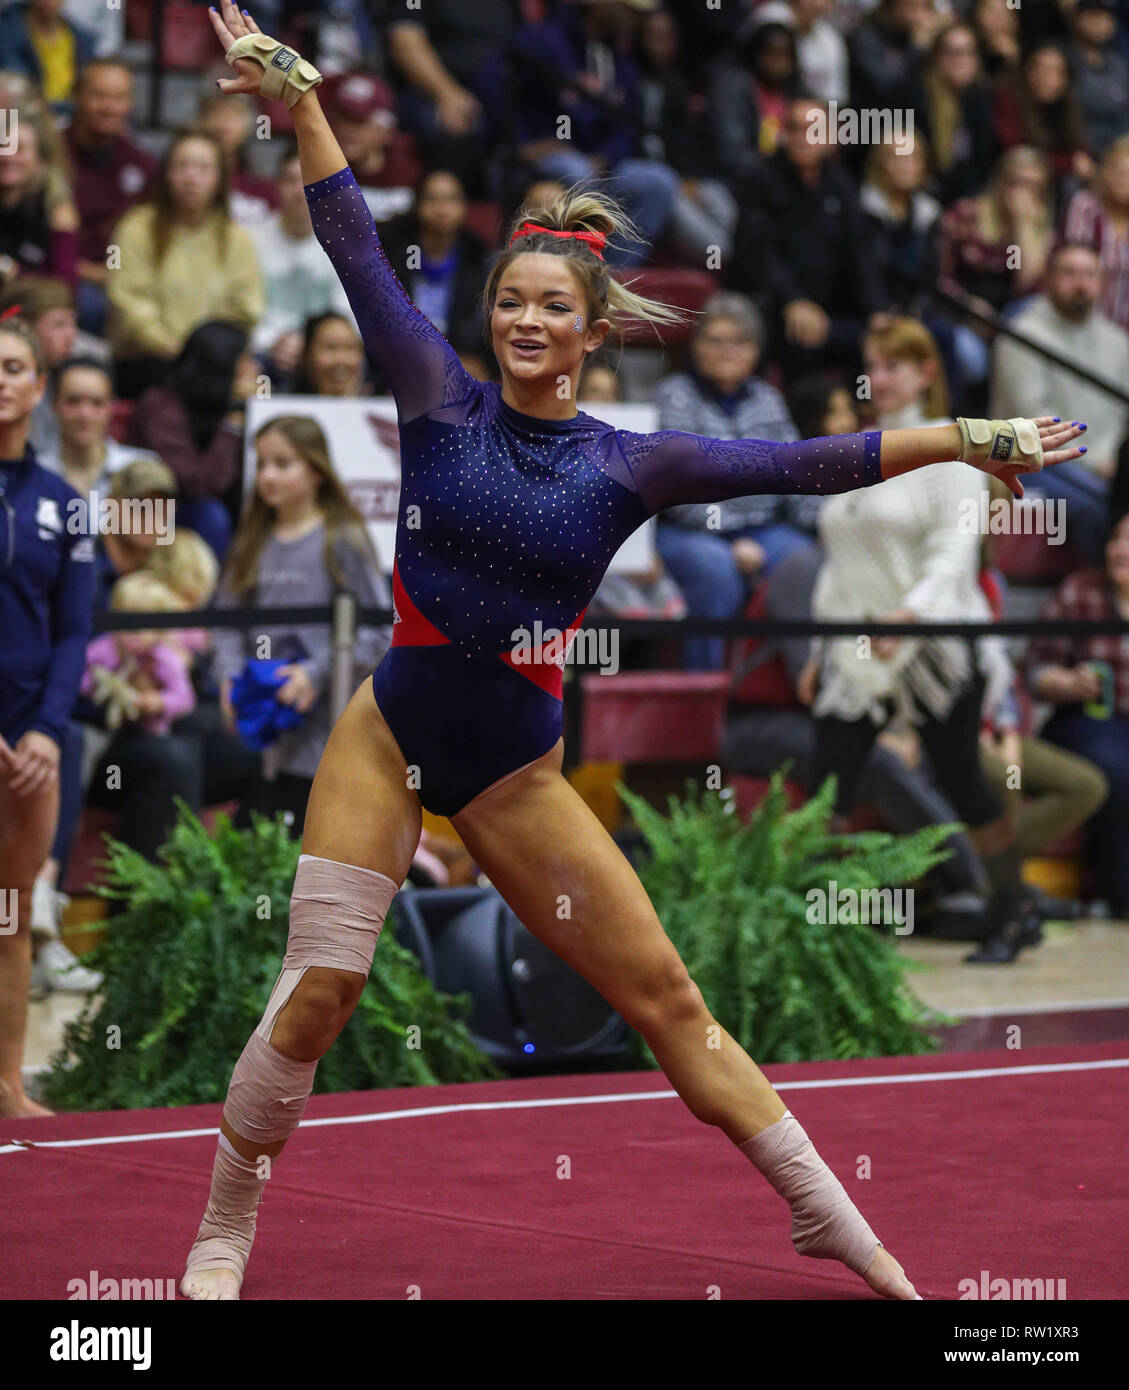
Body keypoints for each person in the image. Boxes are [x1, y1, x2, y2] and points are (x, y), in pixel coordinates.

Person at [181, 2, 1088, 1303]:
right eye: (512, 301)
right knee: (319, 995)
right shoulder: (436, 395)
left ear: (595, 328)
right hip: (390, 726)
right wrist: (302, 101)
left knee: (667, 994)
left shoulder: (633, 459)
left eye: (554, 305)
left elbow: (805, 460)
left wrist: (966, 431)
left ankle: (828, 1215)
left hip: (513, 769)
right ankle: (224, 1222)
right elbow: (355, 249)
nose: (528, 320)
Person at [805, 317, 1072, 963]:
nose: (881, 376)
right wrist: (818, 650)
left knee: (963, 784)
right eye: (874, 362)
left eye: (895, 364)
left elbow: (955, 557)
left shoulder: (954, 456)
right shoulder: (857, 449)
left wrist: (910, 615)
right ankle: (819, 930)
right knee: (827, 791)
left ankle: (1012, 912)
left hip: (934, 644)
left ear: (926, 373)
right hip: (853, 649)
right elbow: (835, 563)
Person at [0, 309, 94, 1116]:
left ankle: (8, 1087)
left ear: (39, 386)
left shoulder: (65, 505)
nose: (1, 380)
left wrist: (45, 731)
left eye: (13, 367)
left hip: (29, 745)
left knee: (11, 913)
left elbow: (74, 633)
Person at [210, 412, 390, 830]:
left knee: (313, 829)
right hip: (261, 716)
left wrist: (315, 672)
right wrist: (229, 676)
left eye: (283, 463)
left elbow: (378, 629)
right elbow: (226, 622)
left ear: (315, 469)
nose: (268, 476)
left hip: (326, 720)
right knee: (259, 835)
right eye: (262, 465)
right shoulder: (251, 540)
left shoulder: (341, 538)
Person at [652, 292, 809, 670]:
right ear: (696, 347)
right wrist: (729, 539)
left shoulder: (768, 399)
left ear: (755, 353)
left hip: (765, 529)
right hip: (689, 531)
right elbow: (677, 485)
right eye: (716, 341)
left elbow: (795, 470)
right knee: (716, 569)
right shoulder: (675, 396)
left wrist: (829, 521)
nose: (727, 352)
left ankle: (794, 685)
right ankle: (704, 694)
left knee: (806, 560)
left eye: (739, 343)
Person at [991, 240, 1129, 561]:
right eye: (1069, 273)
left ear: (1103, 282)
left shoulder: (1118, 342)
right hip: (1031, 461)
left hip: (1102, 464)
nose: (1080, 284)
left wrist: (1112, 461)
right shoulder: (1022, 334)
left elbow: (1123, 415)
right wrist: (1097, 462)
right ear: (1049, 278)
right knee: (1097, 508)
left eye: (1089, 274)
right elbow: (1035, 421)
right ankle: (1101, 598)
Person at [106, 128, 265, 399]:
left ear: (220, 179)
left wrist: (211, 352)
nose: (191, 178)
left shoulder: (237, 238)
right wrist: (175, 349)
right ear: (166, 173)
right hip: (147, 363)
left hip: (214, 367)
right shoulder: (137, 227)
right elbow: (128, 300)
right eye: (181, 166)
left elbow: (245, 310)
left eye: (203, 168)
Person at [1025, 508, 1129, 915]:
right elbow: (1033, 670)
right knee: (1116, 765)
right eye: (1117, 539)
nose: (1121, 549)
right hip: (1084, 721)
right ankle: (1120, 894)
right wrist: (1067, 683)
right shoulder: (1080, 590)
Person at [130, 320, 259, 563]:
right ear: (222, 364)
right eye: (246, 360)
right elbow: (197, 486)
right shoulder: (162, 407)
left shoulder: (224, 403)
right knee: (211, 515)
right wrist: (232, 424)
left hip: (216, 507)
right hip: (161, 513)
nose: (255, 369)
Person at [62, 58, 158, 337]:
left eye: (119, 98)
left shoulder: (143, 165)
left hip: (125, 281)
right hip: (62, 276)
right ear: (76, 96)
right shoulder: (50, 155)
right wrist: (87, 272)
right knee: (94, 308)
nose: (109, 108)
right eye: (99, 96)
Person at [249, 145, 355, 383]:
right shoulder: (250, 239)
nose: (300, 191)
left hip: (323, 353)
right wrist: (269, 343)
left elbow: (348, 315)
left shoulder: (343, 243)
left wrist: (310, 345)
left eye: (309, 181)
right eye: (291, 180)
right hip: (263, 351)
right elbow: (242, 310)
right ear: (277, 185)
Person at [0, 106, 79, 287]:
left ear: (40, 159)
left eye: (19, 149)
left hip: (31, 306)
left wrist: (14, 272)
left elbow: (65, 285)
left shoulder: (57, 209)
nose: (7, 157)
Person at [1062, 134, 1129, 335]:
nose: (1125, 180)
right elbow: (1075, 262)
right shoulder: (1086, 205)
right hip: (1082, 320)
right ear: (1106, 173)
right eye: (1120, 172)